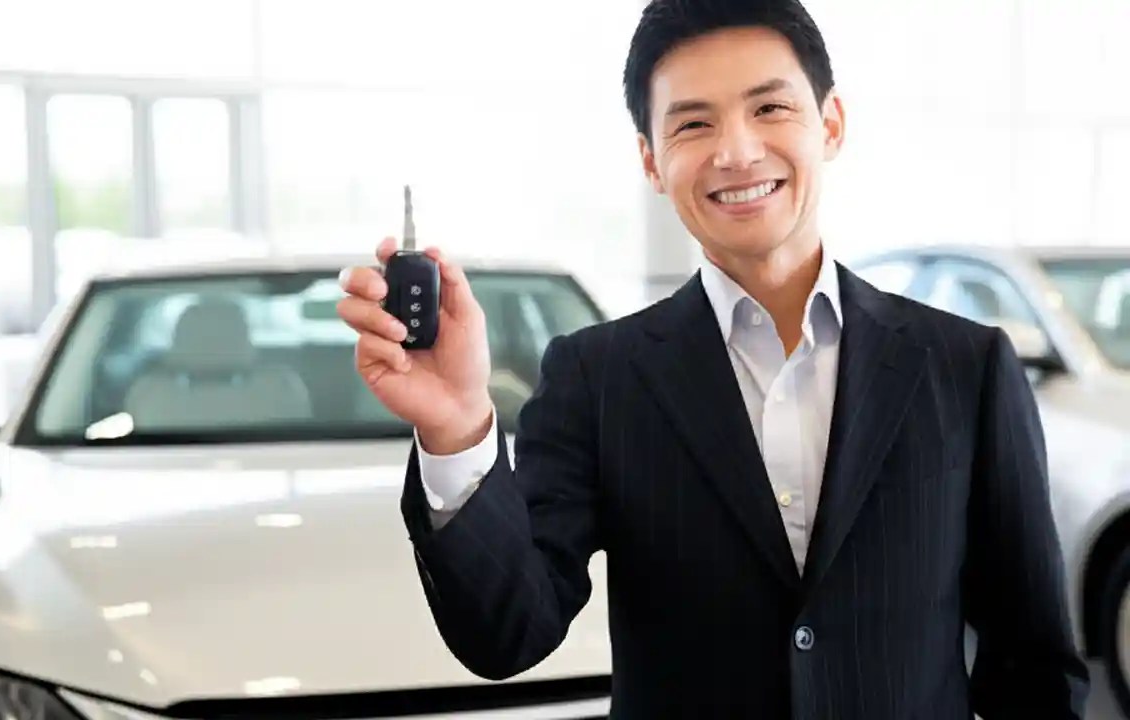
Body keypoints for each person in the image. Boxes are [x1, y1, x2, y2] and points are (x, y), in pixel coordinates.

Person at [336, 0, 1090, 717]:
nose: (736, 151)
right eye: (693, 123)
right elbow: (508, 634)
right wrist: (458, 426)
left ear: (830, 123)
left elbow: (1034, 668)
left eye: (770, 108)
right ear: (652, 161)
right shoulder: (598, 378)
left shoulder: (964, 367)